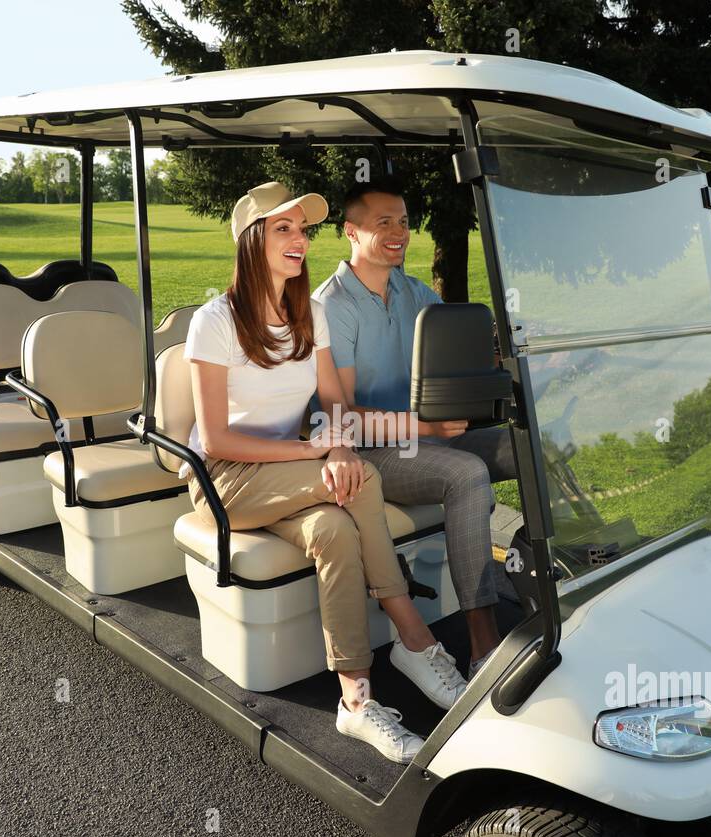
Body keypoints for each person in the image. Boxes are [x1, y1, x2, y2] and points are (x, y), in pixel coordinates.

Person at [182, 182, 467, 765]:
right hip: (225, 478)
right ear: (250, 241)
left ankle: (355, 701)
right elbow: (216, 438)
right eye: (283, 228)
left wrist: (335, 446)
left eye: (304, 229)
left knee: (334, 530)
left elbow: (335, 404)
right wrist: (323, 455)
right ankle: (415, 638)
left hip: (287, 469)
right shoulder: (214, 322)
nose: (300, 240)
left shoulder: (310, 313)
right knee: (363, 479)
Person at [313, 176, 514, 679]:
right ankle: (483, 644)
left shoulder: (416, 291)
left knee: (530, 447)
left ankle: (559, 585)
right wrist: (424, 426)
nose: (399, 231)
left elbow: (458, 361)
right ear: (351, 232)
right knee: (467, 473)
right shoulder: (331, 306)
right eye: (384, 222)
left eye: (403, 221)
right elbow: (341, 418)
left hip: (426, 436)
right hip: (369, 450)